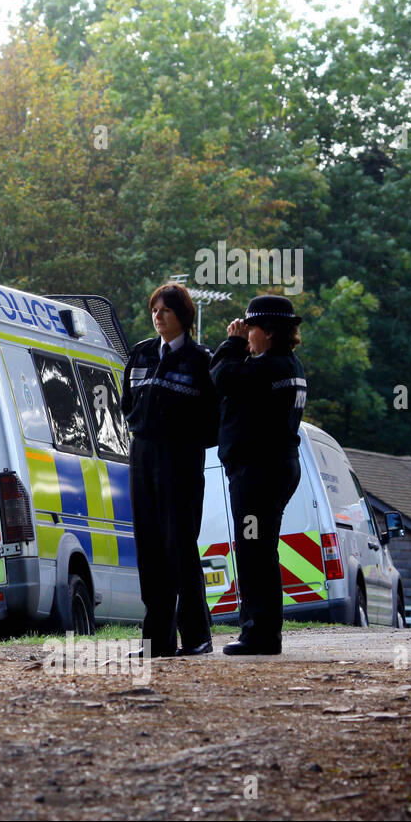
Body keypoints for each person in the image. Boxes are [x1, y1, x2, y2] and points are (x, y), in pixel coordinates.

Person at [120, 282, 220, 658]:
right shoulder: (141, 354)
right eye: (154, 310)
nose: (158, 317)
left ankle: (196, 636)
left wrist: (184, 438)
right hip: (142, 454)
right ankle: (157, 642)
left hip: (180, 459)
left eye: (165, 311)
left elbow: (214, 416)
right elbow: (126, 402)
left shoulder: (201, 360)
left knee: (179, 547)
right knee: (150, 548)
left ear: (183, 316)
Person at [210, 294, 307, 655]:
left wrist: (230, 344)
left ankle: (258, 633)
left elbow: (222, 378)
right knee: (261, 550)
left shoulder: (266, 368)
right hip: (276, 467)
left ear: (266, 332)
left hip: (258, 472)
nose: (245, 333)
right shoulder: (291, 366)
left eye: (249, 328)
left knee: (253, 551)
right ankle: (264, 631)